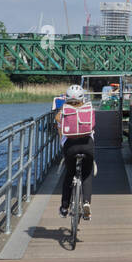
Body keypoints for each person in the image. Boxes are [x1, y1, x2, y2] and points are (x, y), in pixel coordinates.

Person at [55, 84, 96, 220]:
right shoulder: (89, 109)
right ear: (82, 98)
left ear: (66, 98)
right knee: (87, 173)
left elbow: (61, 135)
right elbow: (93, 129)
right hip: (87, 146)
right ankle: (86, 203)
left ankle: (65, 208)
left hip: (71, 147)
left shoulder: (62, 113)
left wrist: (63, 147)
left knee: (69, 174)